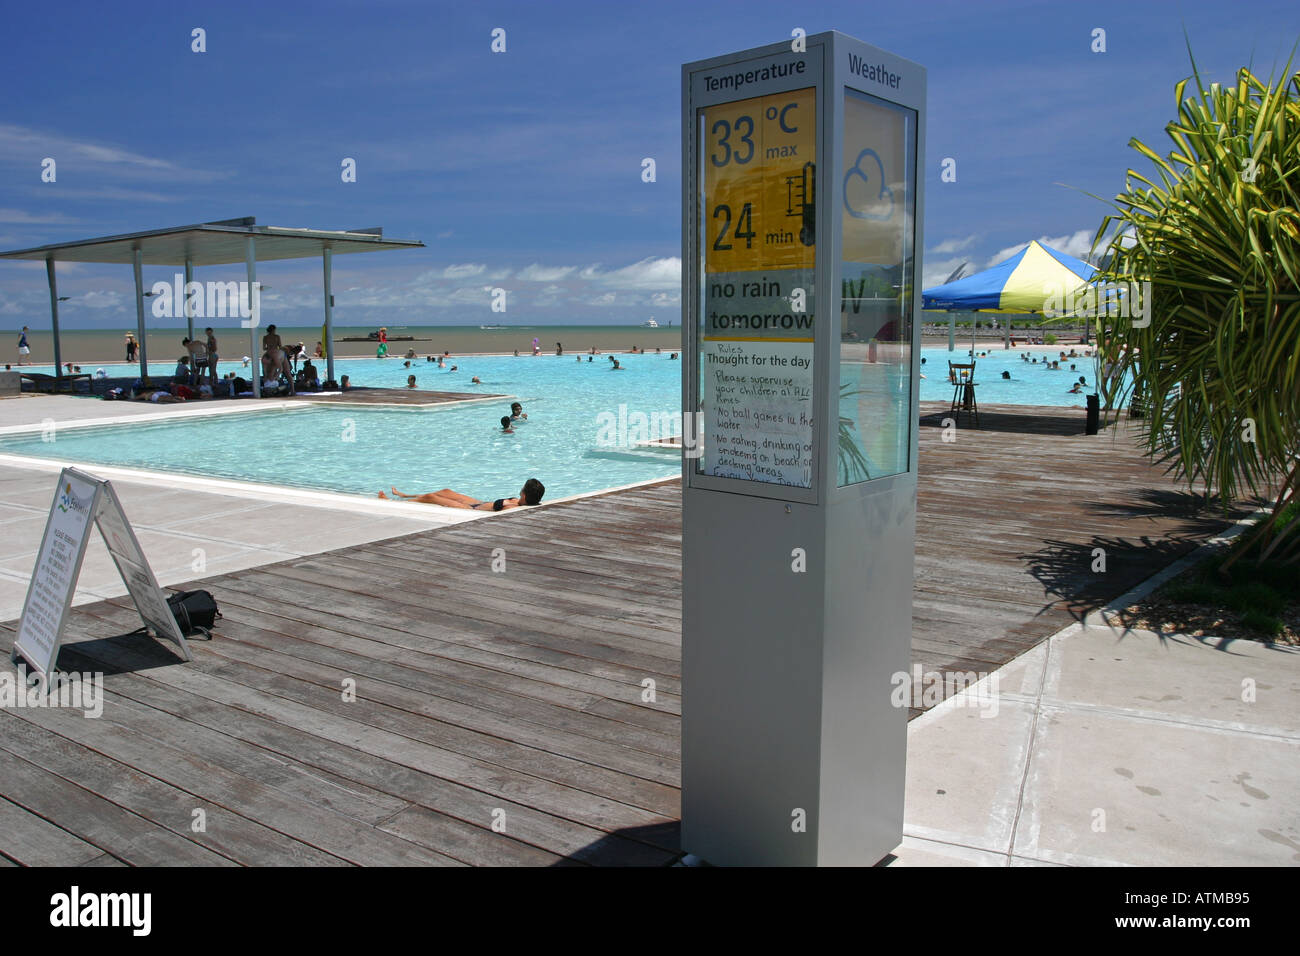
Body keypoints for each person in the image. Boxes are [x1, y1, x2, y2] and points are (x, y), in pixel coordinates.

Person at [379, 478, 545, 511]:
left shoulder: (512, 509)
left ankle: (392, 502)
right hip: (479, 502)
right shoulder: (522, 503)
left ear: (524, 494)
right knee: (446, 491)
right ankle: (404, 495)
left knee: (432, 498)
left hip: (471, 509)